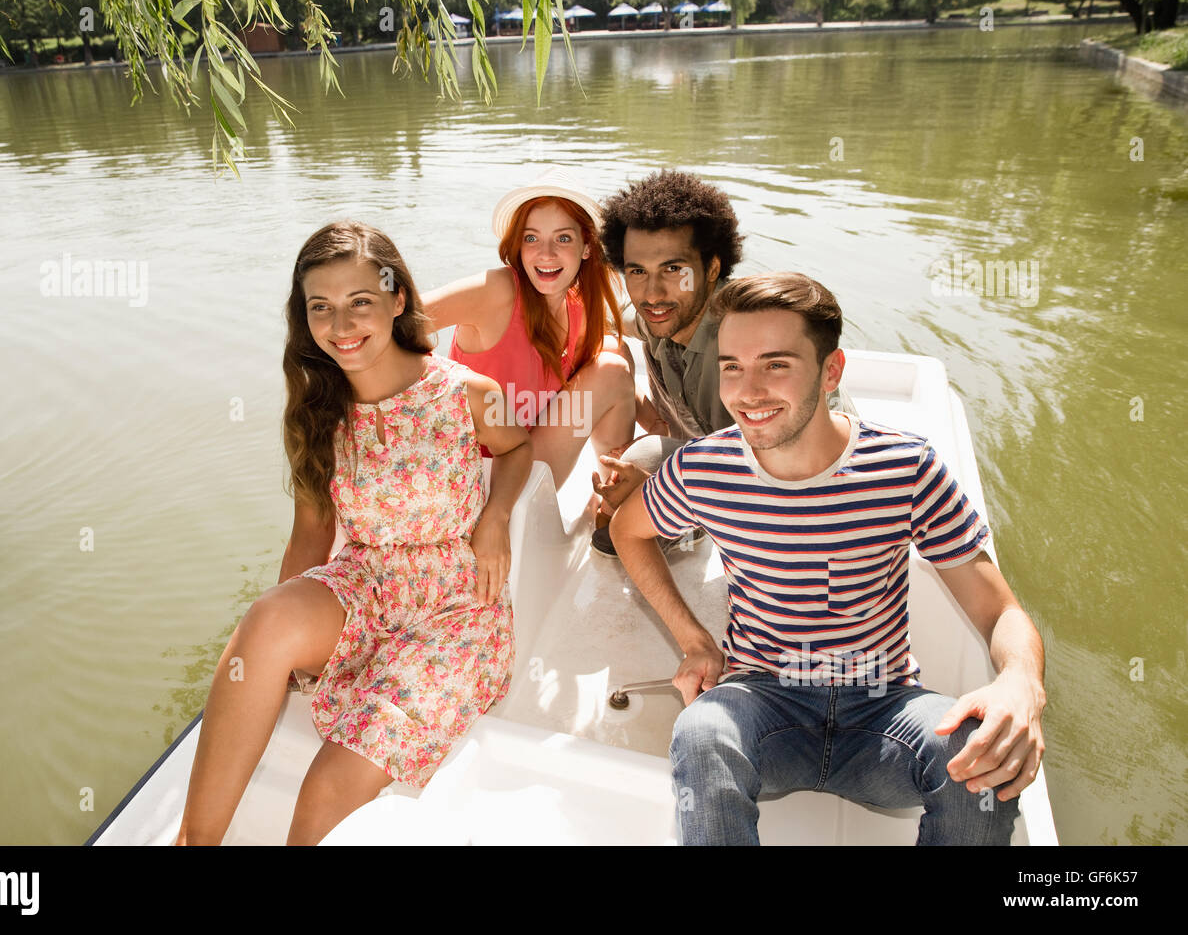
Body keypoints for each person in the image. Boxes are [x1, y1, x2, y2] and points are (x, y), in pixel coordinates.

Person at [610, 271, 1047, 845]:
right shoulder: (703, 468)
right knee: (702, 731)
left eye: (776, 364)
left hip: (884, 708)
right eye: (732, 366)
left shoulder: (905, 468)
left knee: (979, 754)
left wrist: (1020, 681)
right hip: (762, 701)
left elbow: (1000, 611)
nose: (748, 390)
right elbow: (628, 529)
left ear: (832, 370)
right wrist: (693, 640)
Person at [175, 221, 533, 845]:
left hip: (456, 608)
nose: (341, 326)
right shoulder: (316, 412)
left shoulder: (468, 393)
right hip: (365, 584)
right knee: (266, 620)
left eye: (360, 302)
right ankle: (192, 843)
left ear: (398, 301)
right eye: (322, 308)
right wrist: (278, 654)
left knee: (325, 793)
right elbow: (311, 534)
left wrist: (496, 518)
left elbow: (518, 446)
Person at [592, 169, 855, 557]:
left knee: (627, 512)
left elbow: (804, 473)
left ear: (712, 269)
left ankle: (693, 518)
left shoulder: (748, 337)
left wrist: (672, 494)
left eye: (673, 269)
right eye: (637, 271)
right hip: (717, 463)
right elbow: (608, 317)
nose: (652, 292)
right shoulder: (660, 316)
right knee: (616, 508)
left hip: (802, 497)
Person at [422, 166, 637, 489]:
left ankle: (611, 496)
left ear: (587, 247)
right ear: (518, 246)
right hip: (474, 476)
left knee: (614, 356)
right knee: (612, 369)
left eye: (563, 238)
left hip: (525, 470)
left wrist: (647, 412)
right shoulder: (497, 290)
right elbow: (397, 319)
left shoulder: (578, 307)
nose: (545, 254)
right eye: (531, 238)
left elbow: (613, 350)